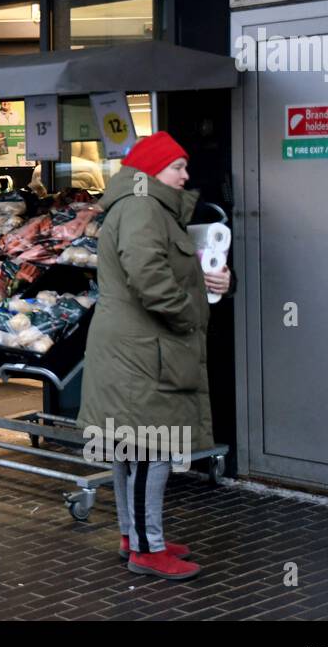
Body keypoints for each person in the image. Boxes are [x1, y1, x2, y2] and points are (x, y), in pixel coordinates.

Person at [78, 132, 231, 581]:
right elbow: (149, 276)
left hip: (134, 348)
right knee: (151, 449)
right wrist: (189, 316)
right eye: (178, 167)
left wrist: (212, 283)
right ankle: (148, 548)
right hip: (144, 350)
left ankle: (135, 535)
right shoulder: (145, 206)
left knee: (129, 448)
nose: (187, 175)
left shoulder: (141, 205)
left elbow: (169, 270)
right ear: (152, 170)